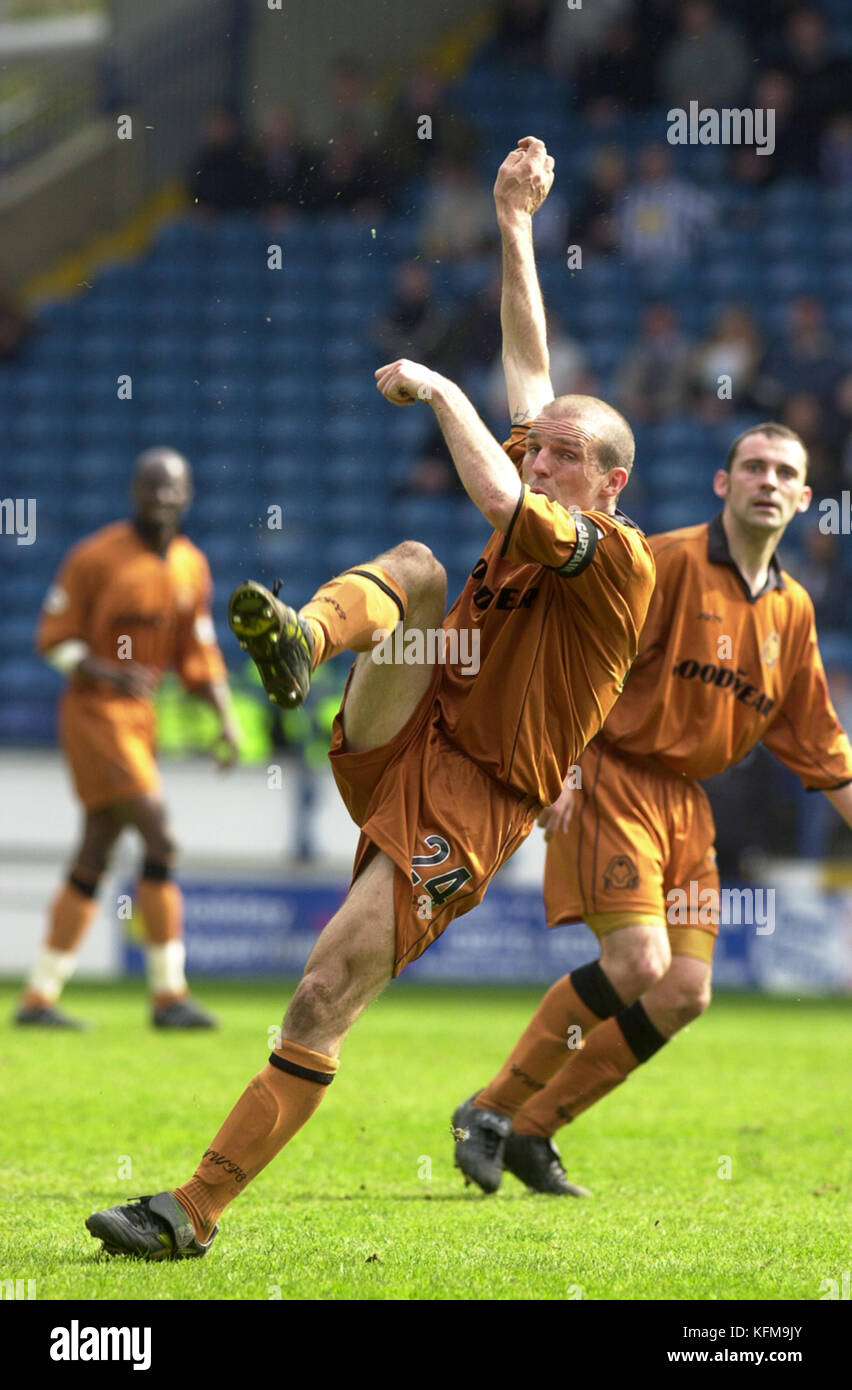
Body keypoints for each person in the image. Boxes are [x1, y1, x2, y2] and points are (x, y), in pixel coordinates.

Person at [84, 137, 655, 1259]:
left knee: (321, 992)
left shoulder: (616, 558)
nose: (539, 458)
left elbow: (495, 480)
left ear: (612, 483)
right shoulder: (541, 472)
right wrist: (514, 226)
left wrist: (439, 385)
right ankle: (305, 640)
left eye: (566, 455)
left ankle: (189, 1212)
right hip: (423, 719)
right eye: (538, 449)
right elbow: (530, 361)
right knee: (419, 569)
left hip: (478, 802)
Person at [451, 247, 852, 1194]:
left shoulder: (792, 612)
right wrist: (564, 766)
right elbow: (575, 659)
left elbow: (824, 751)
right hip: (614, 774)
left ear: (803, 497)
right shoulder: (661, 562)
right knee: (636, 960)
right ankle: (491, 1105)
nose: (764, 478)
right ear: (722, 485)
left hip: (690, 811)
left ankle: (532, 1128)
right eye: (749, 463)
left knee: (685, 990)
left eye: (783, 471)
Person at [15, 449, 240, 1031]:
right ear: (133, 492)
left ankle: (38, 997)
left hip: (139, 721)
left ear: (187, 495)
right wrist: (106, 670)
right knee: (161, 840)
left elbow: (199, 652)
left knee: (96, 848)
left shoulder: (191, 565)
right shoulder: (95, 557)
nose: (161, 498)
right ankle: (169, 995)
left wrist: (225, 718)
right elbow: (53, 640)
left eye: (172, 489)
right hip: (95, 715)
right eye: (151, 488)